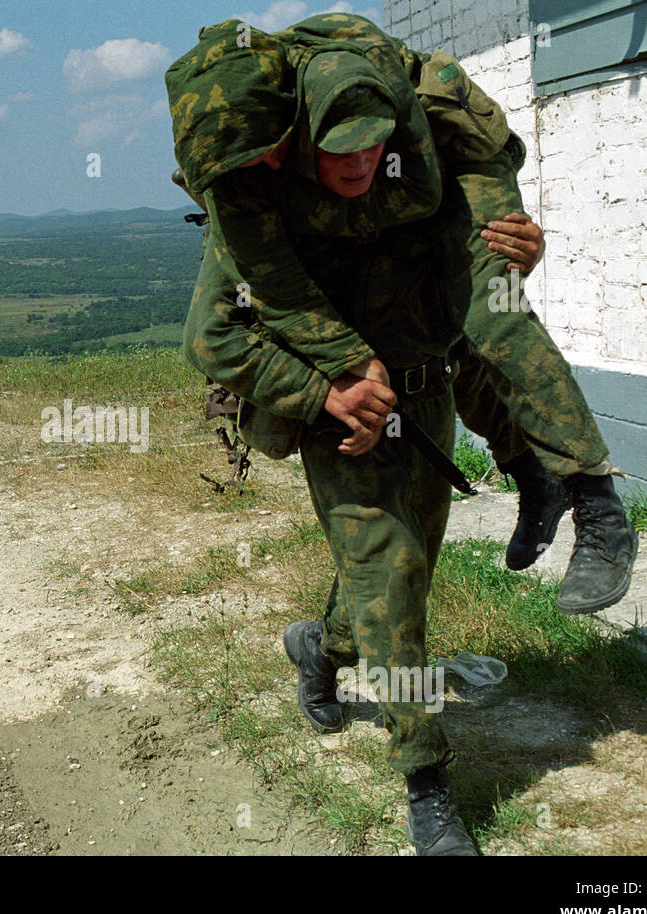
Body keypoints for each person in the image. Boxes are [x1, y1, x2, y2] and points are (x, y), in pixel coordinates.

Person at [165, 20, 510, 855]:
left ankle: (320, 646)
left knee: (406, 569)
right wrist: (325, 391)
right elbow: (213, 340)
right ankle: (426, 781)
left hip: (421, 402)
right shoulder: (249, 203)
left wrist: (511, 243)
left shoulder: (378, 147)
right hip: (336, 420)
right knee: (389, 574)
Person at [170, 13, 636, 615]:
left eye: (268, 155)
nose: (261, 171)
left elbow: (424, 189)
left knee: (492, 315)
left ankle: (594, 504)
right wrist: (346, 368)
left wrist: (495, 258)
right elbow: (258, 297)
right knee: (445, 333)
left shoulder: (386, 109)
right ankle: (530, 475)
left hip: (459, 165)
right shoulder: (245, 165)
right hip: (383, 323)